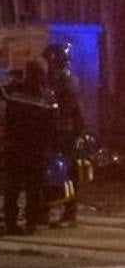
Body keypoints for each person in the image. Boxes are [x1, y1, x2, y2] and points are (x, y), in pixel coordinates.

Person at [0, 61, 57, 235]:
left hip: (16, 147)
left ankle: (11, 223)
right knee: (33, 187)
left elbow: (9, 119)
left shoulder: (14, 93)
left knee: (14, 187)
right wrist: (51, 147)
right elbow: (51, 125)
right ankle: (30, 223)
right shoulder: (46, 97)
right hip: (35, 149)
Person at [43, 42, 85, 227]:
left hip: (61, 133)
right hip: (62, 131)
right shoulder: (66, 78)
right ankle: (57, 209)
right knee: (59, 172)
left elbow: (60, 107)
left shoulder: (62, 80)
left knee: (63, 172)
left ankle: (68, 211)